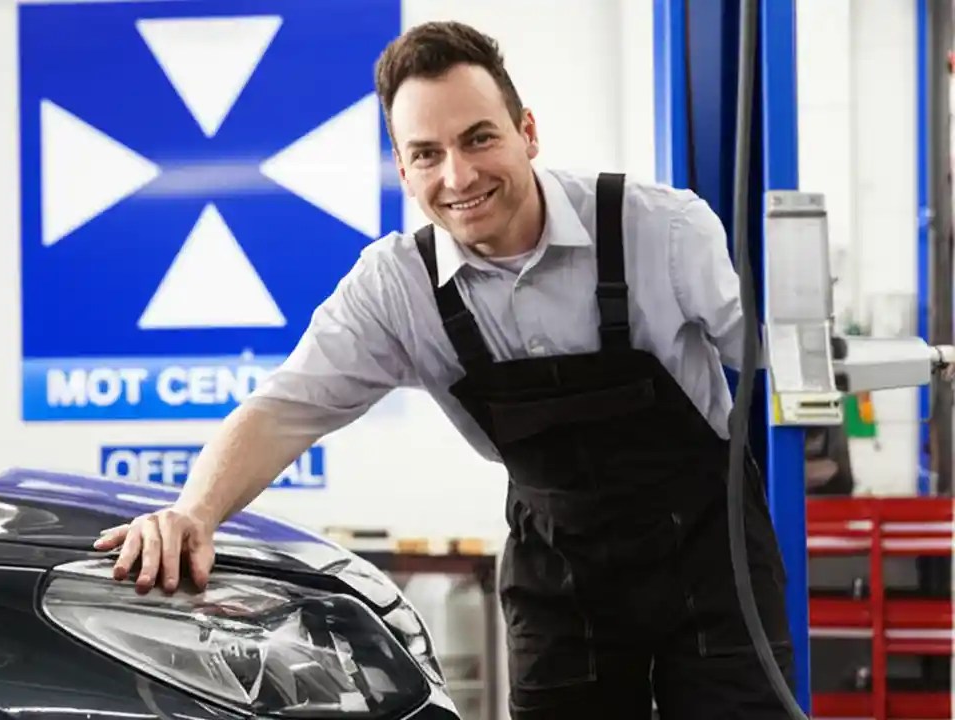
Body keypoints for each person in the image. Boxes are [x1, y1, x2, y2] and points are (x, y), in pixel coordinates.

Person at [95, 20, 794, 719]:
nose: (458, 176)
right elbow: (283, 410)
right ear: (402, 169)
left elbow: (774, 361)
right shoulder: (397, 288)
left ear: (527, 132)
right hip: (565, 579)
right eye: (426, 154)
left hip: (712, 566)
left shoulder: (659, 230)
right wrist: (194, 512)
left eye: (479, 138)